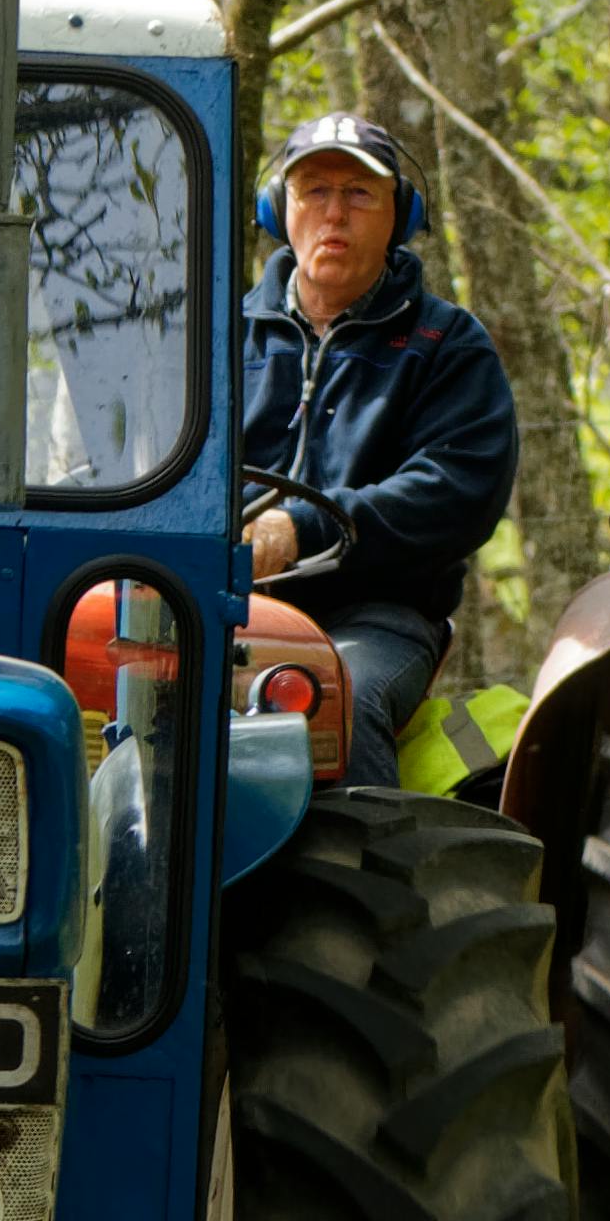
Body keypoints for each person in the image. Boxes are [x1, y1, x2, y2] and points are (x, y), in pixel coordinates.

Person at [234, 113, 515, 765]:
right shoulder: (219, 334)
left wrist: (303, 528)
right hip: (215, 606)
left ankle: (355, 868)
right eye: (315, 192)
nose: (335, 214)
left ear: (401, 216)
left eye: (360, 194)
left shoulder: (448, 344)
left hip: (375, 617)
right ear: (280, 211)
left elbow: (456, 492)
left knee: (335, 698)